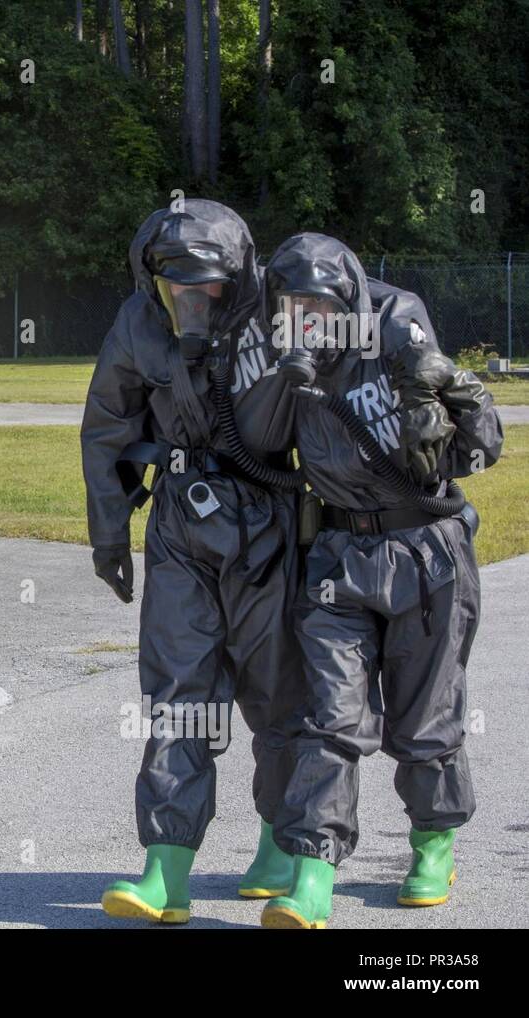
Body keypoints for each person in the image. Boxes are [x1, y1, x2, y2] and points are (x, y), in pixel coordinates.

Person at [258, 233, 503, 929]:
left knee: (427, 718)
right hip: (337, 555)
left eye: (319, 305)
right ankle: (312, 875)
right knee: (328, 720)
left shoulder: (398, 328)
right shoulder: (284, 359)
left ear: (350, 300)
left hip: (425, 551)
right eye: (292, 305)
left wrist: (454, 391)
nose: (306, 318)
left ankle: (433, 846)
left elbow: (482, 444)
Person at [82, 199, 305, 924]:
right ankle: (166, 870)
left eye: (207, 286)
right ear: (154, 279)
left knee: (276, 693)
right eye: (178, 287)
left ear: (236, 277)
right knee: (179, 693)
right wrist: (109, 535)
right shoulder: (137, 324)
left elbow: (332, 419)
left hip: (269, 522)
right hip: (182, 523)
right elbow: (108, 429)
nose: (192, 300)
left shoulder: (278, 316)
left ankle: (279, 839)